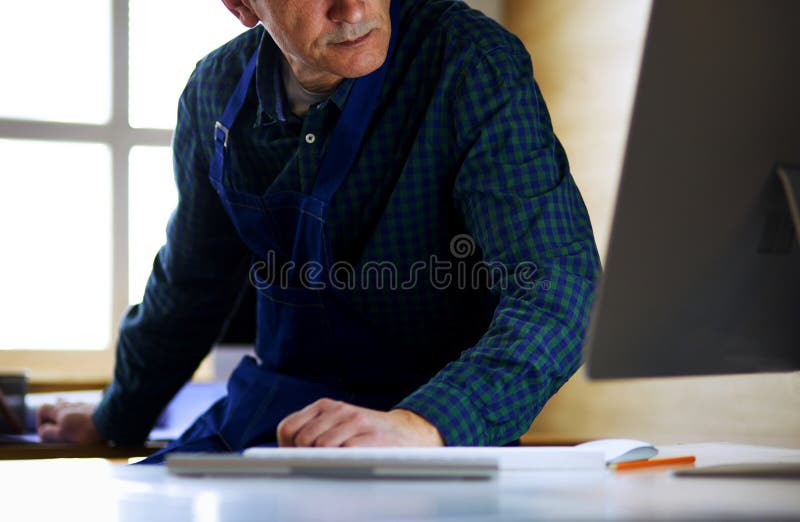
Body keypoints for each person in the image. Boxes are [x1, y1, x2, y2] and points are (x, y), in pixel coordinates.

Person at [37, 0, 600, 461]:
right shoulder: (212, 95)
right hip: (271, 427)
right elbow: (188, 289)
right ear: (241, 6)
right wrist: (115, 418)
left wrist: (426, 423)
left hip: (435, 440)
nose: (353, 8)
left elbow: (560, 286)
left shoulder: (470, 63)